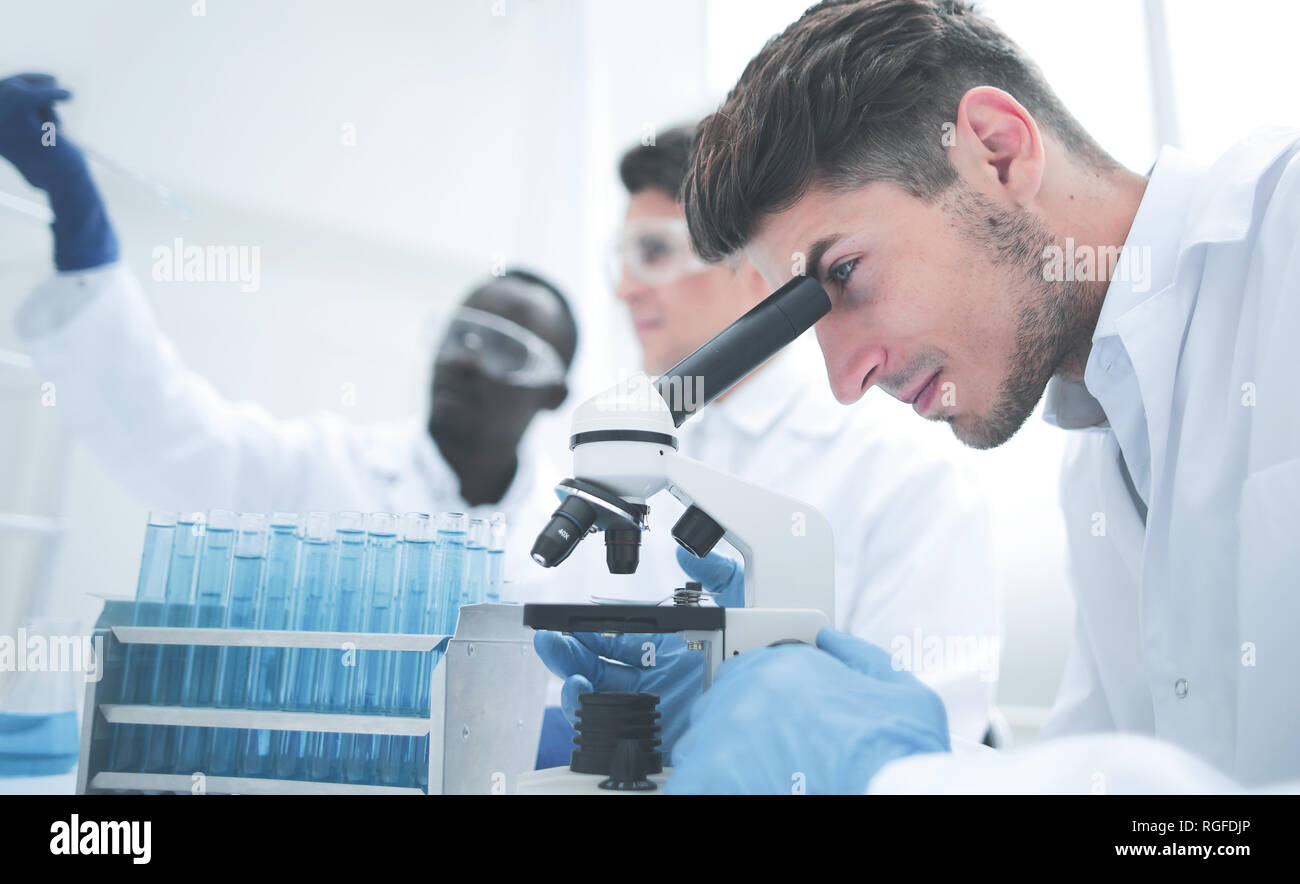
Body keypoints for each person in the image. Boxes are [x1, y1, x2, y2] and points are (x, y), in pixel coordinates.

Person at [657, 0, 1300, 793]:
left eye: (846, 274)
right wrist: (883, 746)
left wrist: (885, 778)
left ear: (997, 152)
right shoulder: (1101, 460)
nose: (845, 381)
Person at [0, 72, 579, 601]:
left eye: (506, 349)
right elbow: (170, 432)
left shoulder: (584, 532)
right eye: (460, 335)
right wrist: (80, 228)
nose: (466, 361)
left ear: (554, 393)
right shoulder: (322, 471)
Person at [534, 125, 1001, 767]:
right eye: (622, 257)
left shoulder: (901, 476)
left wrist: (776, 721)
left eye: (655, 252)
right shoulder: (625, 459)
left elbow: (936, 746)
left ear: (756, 271)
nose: (626, 289)